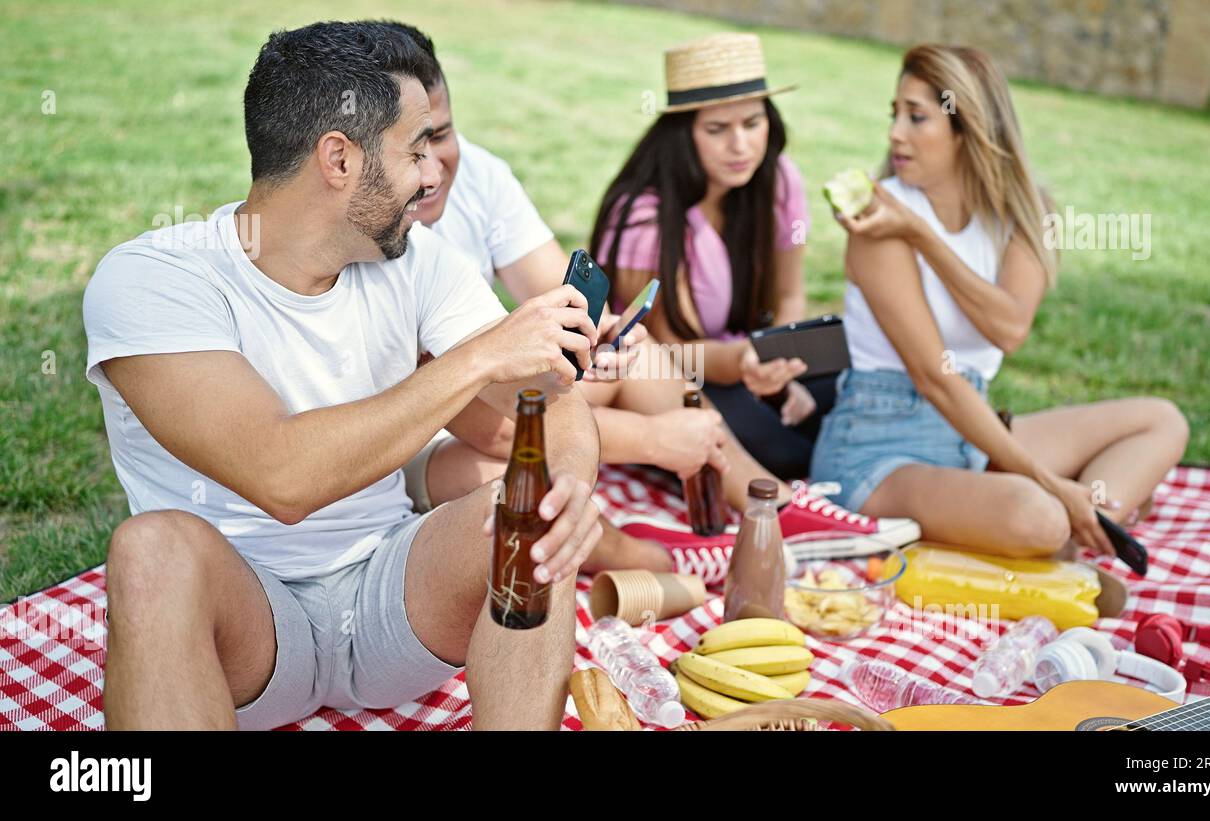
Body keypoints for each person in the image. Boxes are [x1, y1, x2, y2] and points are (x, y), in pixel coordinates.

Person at [83, 22, 603, 730]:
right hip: (247, 627)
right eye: (416, 149)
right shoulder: (152, 279)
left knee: (533, 510)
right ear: (339, 158)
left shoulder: (416, 260)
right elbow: (284, 476)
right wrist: (480, 355)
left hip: (390, 600)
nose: (433, 173)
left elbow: (553, 402)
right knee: (149, 550)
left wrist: (567, 483)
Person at [373, 22, 876, 583]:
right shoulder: (388, 235)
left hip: (510, 401)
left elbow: (562, 298)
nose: (435, 169)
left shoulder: (480, 178)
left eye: (442, 135)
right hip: (429, 439)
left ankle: (774, 505)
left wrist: (608, 333)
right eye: (415, 147)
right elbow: (482, 423)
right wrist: (653, 440)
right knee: (516, 480)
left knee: (637, 354)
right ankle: (650, 557)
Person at [812, 44, 1189, 560]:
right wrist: (1047, 482)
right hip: (879, 450)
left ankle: (1081, 524)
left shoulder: (1024, 215)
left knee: (1162, 420)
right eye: (894, 114)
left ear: (968, 126)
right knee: (1038, 514)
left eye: (916, 117)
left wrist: (925, 237)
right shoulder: (879, 221)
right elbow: (935, 378)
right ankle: (1063, 530)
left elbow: (1008, 327)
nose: (895, 132)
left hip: (976, 438)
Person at [591, 32, 833, 482]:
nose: (740, 146)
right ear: (683, 135)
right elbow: (673, 353)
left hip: (751, 361)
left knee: (853, 386)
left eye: (752, 123)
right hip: (678, 379)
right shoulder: (647, 218)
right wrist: (747, 361)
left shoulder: (777, 180)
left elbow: (789, 293)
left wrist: (781, 367)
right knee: (784, 453)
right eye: (717, 130)